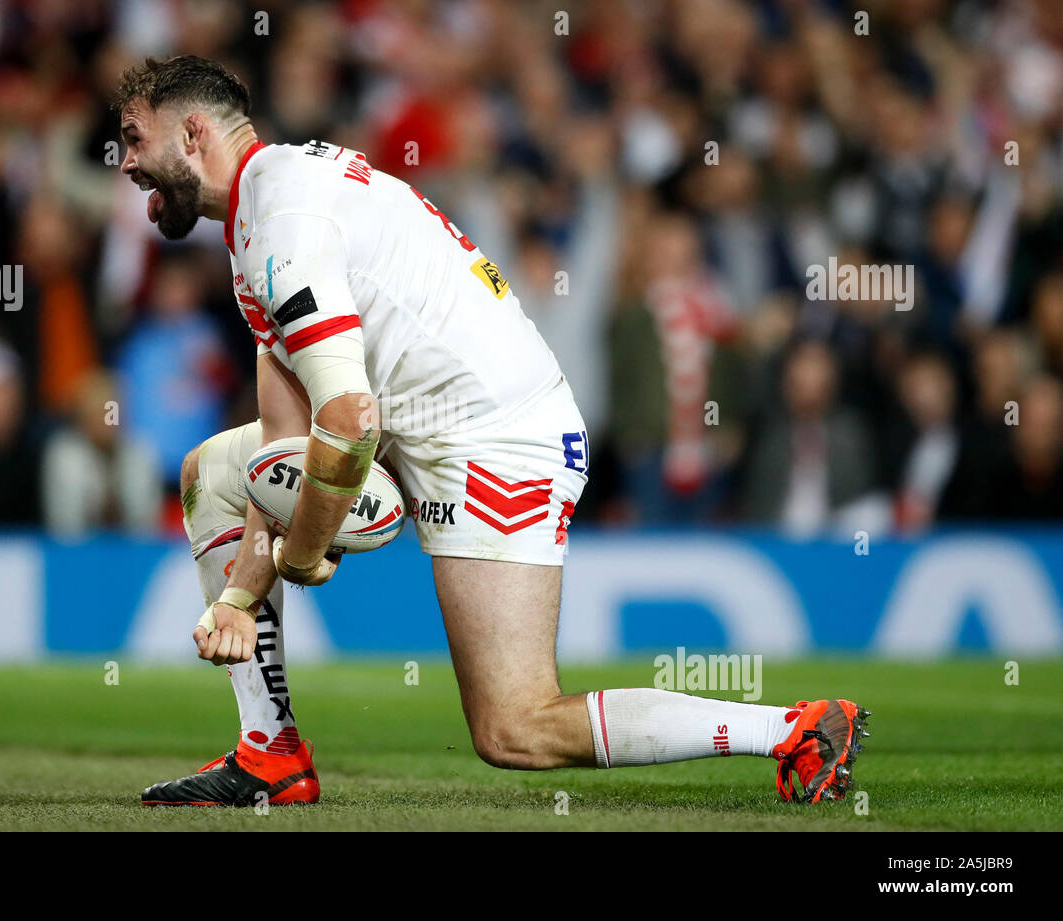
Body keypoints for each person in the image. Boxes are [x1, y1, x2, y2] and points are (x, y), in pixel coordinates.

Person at [114, 55, 867, 807]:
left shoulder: (282, 225)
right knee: (213, 471)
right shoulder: (262, 210)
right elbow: (287, 441)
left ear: (191, 132)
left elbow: (345, 423)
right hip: (417, 419)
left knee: (516, 727)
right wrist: (243, 595)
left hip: (497, 435)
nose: (126, 163)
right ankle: (269, 751)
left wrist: (304, 551)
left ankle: (794, 727)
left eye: (133, 139)